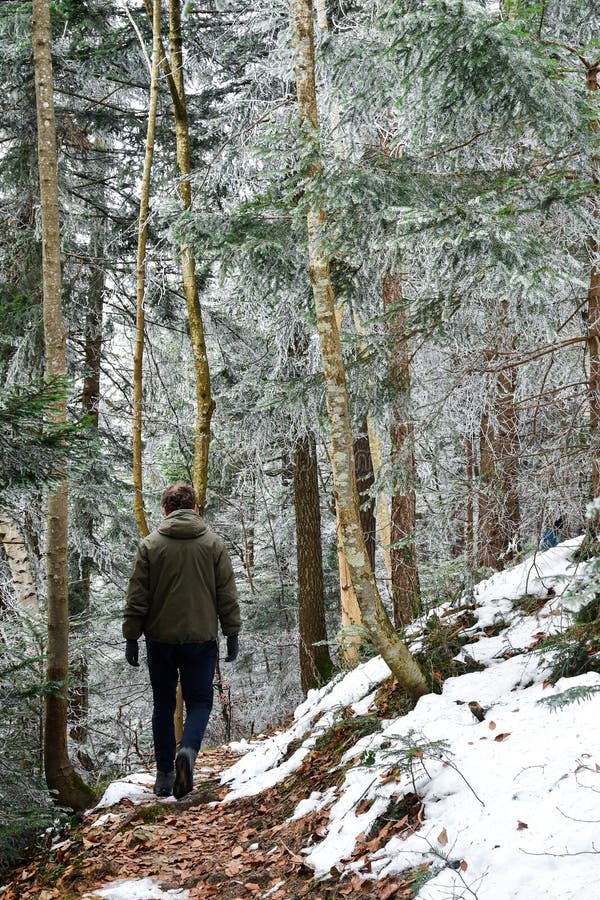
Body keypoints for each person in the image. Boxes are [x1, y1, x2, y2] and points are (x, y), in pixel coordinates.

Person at [123, 482, 241, 799]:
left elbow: (138, 597)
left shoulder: (150, 545)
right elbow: (226, 594)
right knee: (199, 702)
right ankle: (188, 750)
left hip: (160, 640)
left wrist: (131, 636)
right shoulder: (213, 544)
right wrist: (232, 632)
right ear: (194, 508)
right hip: (201, 639)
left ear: (165, 510)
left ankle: (164, 775)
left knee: (162, 704)